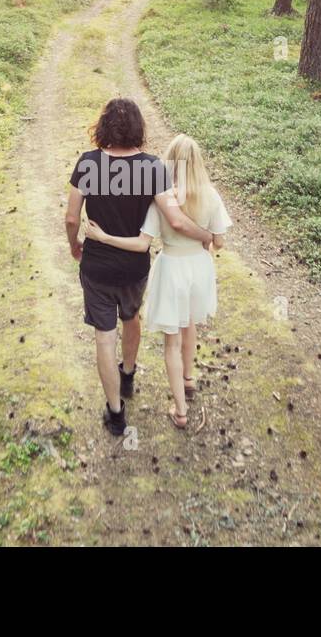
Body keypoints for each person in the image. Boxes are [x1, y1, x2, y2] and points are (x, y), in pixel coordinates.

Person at [65, 100, 216, 436]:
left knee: (104, 338)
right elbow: (175, 218)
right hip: (134, 268)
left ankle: (116, 413)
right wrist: (206, 235)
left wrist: (74, 244)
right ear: (138, 129)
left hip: (97, 267)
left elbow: (72, 217)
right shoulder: (152, 168)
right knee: (131, 317)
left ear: (103, 127)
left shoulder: (88, 164)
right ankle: (128, 374)